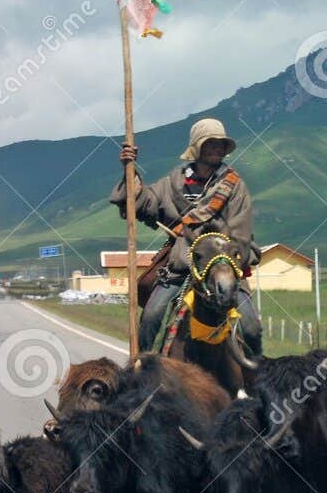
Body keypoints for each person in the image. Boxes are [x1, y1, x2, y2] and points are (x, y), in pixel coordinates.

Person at [111, 117, 263, 357]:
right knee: (151, 317)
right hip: (182, 265)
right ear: (196, 147)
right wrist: (130, 169)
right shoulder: (174, 182)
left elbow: (240, 232)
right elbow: (145, 203)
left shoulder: (235, 185)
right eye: (210, 143)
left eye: (220, 144)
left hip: (222, 265)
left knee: (252, 327)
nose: (216, 148)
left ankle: (258, 379)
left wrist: (215, 251)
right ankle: (141, 371)